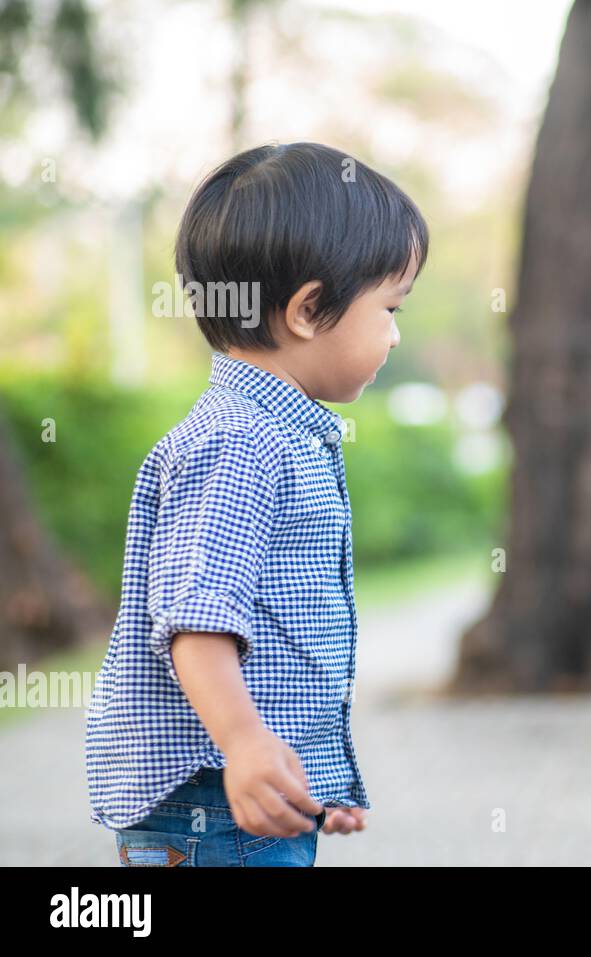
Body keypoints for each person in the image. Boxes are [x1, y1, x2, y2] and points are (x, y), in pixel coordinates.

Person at [84, 142, 427, 866]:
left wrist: (301, 773)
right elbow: (196, 621)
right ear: (308, 309)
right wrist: (245, 745)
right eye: (390, 308)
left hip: (234, 796)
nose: (395, 334)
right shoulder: (240, 444)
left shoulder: (274, 434)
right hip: (207, 800)